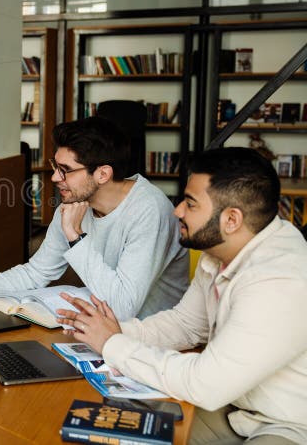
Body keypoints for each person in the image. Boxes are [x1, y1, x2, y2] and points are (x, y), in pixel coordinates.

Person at [58, 147, 307, 444]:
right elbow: (185, 325)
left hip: (287, 424)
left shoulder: (280, 281)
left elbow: (205, 384)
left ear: (231, 219)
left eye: (190, 204)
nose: (177, 211)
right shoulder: (220, 250)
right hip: (235, 406)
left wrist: (113, 343)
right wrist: (114, 331)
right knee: (111, 423)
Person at [0, 116, 188, 320]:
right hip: (104, 326)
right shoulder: (75, 202)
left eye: (65, 170)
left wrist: (75, 237)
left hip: (151, 340)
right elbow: (36, 272)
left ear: (102, 174)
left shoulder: (149, 210)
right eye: (55, 166)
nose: (55, 177)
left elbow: (123, 308)